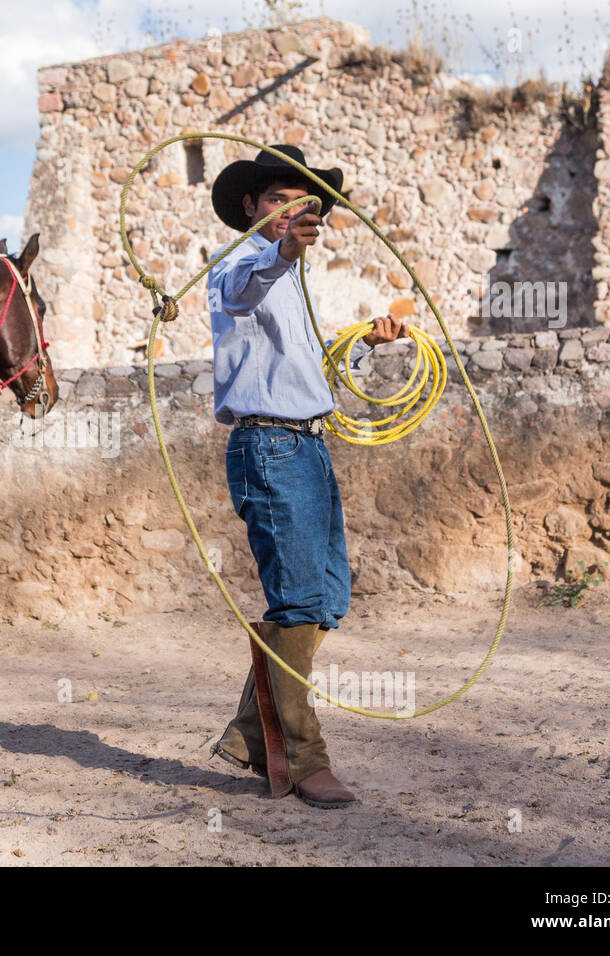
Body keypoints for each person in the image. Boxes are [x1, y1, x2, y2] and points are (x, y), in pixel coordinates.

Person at [205, 145, 409, 808]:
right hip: (268, 446)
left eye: (304, 205)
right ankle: (300, 753)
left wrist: (364, 342)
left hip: (306, 446)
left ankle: (246, 734)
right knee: (298, 600)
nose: (291, 213)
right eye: (276, 201)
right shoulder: (240, 265)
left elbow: (297, 359)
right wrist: (283, 252)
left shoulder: (293, 281)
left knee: (325, 595)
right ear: (250, 207)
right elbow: (247, 287)